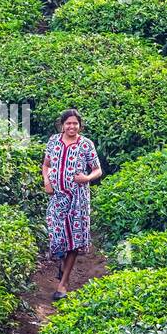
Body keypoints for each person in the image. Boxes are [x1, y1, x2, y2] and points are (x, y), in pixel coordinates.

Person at [42, 109, 101, 300]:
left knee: (74, 240)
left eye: (75, 123)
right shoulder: (53, 141)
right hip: (58, 196)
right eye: (68, 123)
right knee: (55, 231)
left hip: (78, 199)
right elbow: (46, 165)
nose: (72, 127)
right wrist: (47, 182)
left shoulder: (86, 145)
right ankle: (61, 262)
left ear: (80, 125)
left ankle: (63, 283)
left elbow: (97, 170)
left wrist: (87, 177)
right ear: (62, 125)